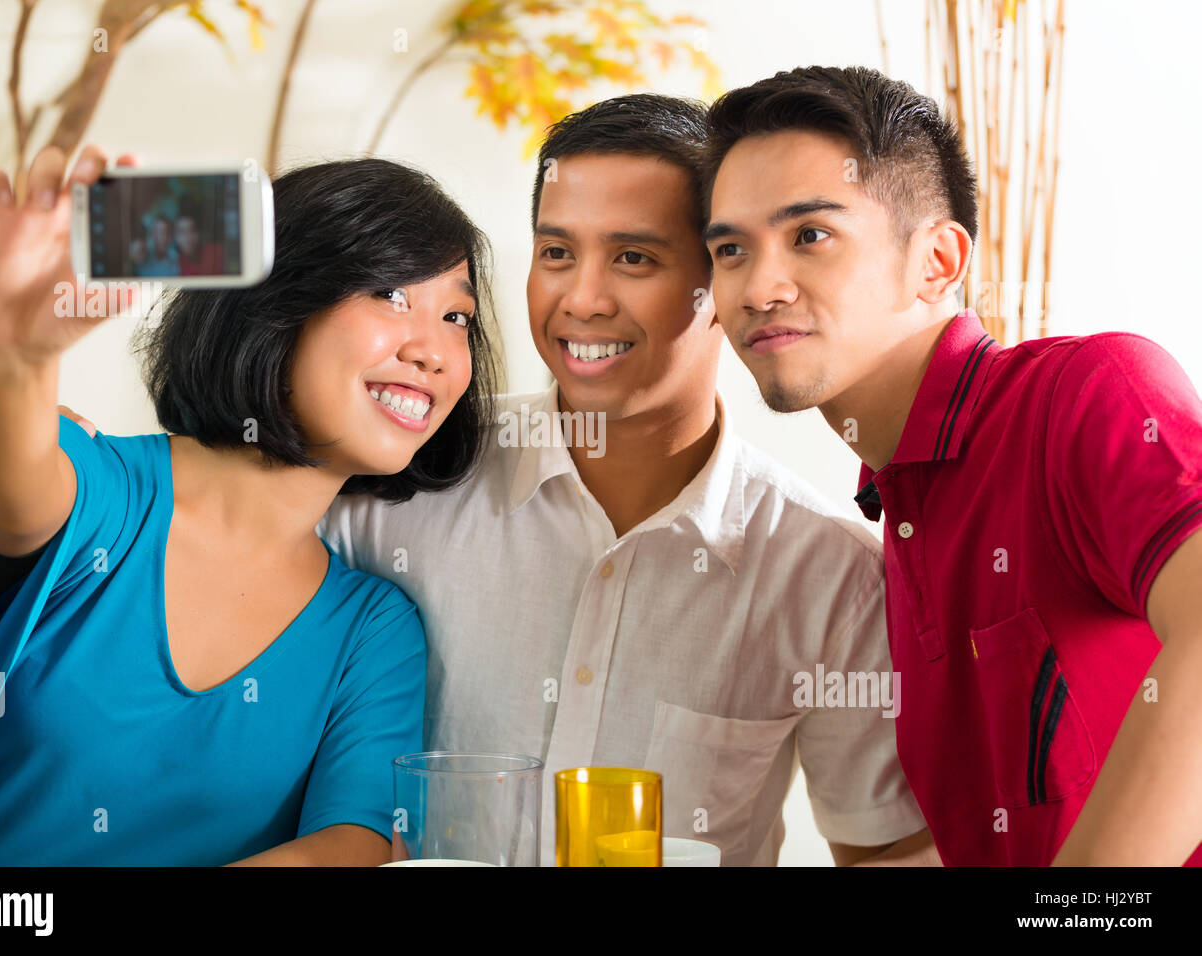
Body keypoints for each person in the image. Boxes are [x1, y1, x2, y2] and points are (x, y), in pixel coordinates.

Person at [323, 94, 934, 866]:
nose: (582, 299)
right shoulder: (401, 483)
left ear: (725, 280)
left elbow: (884, 851)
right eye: (556, 253)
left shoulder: (831, 576)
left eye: (633, 258)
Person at [0, 142, 501, 865]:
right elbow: (10, 493)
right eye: (392, 295)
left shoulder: (373, 629)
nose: (435, 352)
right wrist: (18, 358)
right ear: (279, 304)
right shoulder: (99, 486)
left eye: (457, 319)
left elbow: (354, 841)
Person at [702, 65, 1202, 865]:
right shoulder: (890, 526)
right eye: (730, 249)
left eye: (810, 235)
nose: (759, 286)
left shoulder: (1086, 395)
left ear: (937, 260)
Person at [174, 211, 225, 276]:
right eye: (182, 232)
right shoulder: (176, 265)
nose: (188, 237)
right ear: (175, 237)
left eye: (193, 230)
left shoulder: (218, 252)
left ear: (199, 233)